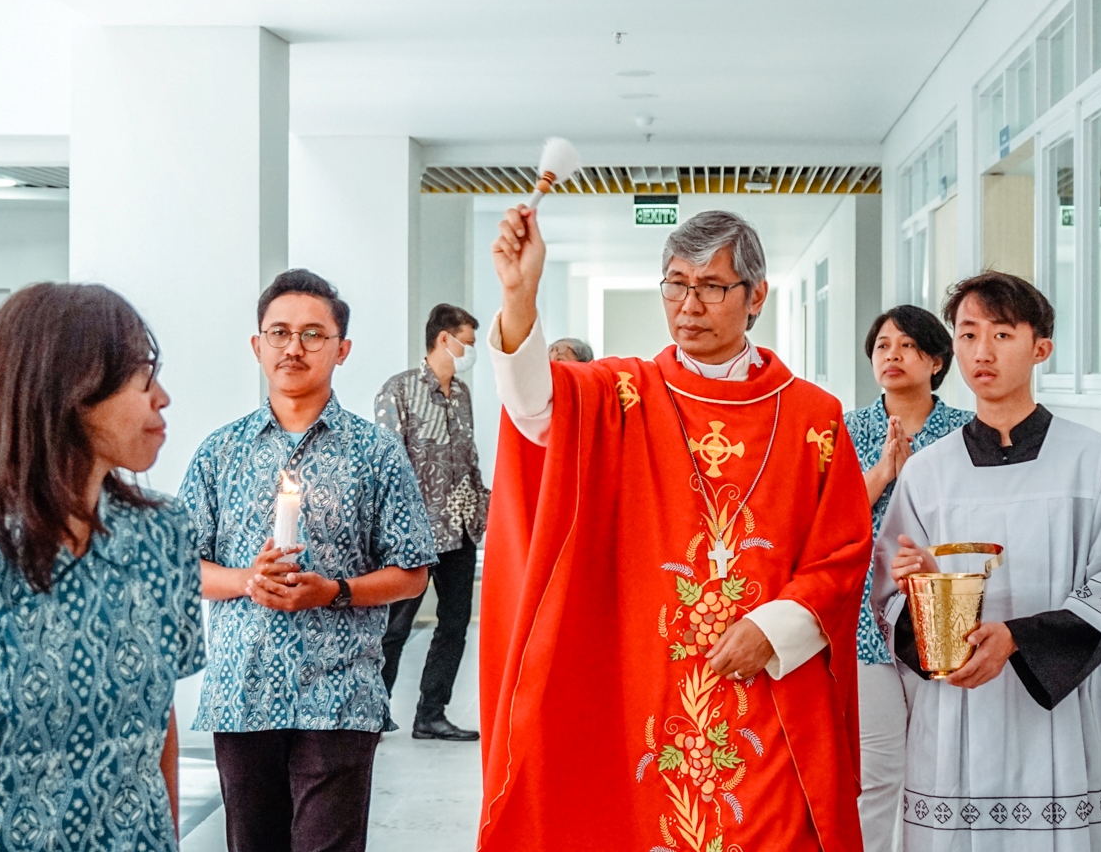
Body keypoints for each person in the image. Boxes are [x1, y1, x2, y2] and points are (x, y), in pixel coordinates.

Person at [478, 207, 872, 852]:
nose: (689, 305)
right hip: (645, 690)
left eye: (711, 287)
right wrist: (520, 296)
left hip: (766, 691)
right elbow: (536, 408)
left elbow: (846, 552)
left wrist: (774, 629)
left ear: (756, 297)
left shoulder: (812, 417)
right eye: (675, 284)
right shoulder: (623, 393)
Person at [0, 283, 202, 852]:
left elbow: (157, 729)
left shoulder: (164, 536)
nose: (162, 397)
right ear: (71, 389)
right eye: (140, 374)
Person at [879, 272, 1101, 851]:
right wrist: (925, 592)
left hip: (1065, 717)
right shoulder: (928, 473)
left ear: (1041, 348)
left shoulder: (1091, 460)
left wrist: (1018, 638)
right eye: (969, 334)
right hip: (960, 719)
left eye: (1002, 334)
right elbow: (888, 596)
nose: (982, 352)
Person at [184, 268, 438, 852]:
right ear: (257, 345)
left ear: (341, 349)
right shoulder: (220, 451)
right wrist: (249, 580)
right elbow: (183, 565)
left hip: (339, 691)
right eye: (279, 332)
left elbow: (413, 570)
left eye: (313, 334)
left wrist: (334, 592)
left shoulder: (376, 452)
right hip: (242, 693)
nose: (293, 348)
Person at [843, 305, 975, 851]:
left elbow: (980, 521)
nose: (891, 355)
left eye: (907, 346)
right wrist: (882, 474)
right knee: (876, 774)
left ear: (937, 360)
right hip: (863, 626)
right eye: (882, 347)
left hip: (940, 617)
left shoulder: (966, 433)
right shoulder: (845, 429)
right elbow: (823, 524)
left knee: (938, 769)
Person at [375, 303, 489, 740]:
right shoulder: (398, 391)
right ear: (445, 339)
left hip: (460, 530)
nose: (471, 352)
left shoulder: (461, 395)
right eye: (469, 342)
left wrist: (485, 509)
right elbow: (387, 464)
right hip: (413, 533)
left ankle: (431, 713)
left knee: (454, 623)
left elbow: (468, 458)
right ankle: (372, 713)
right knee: (395, 627)